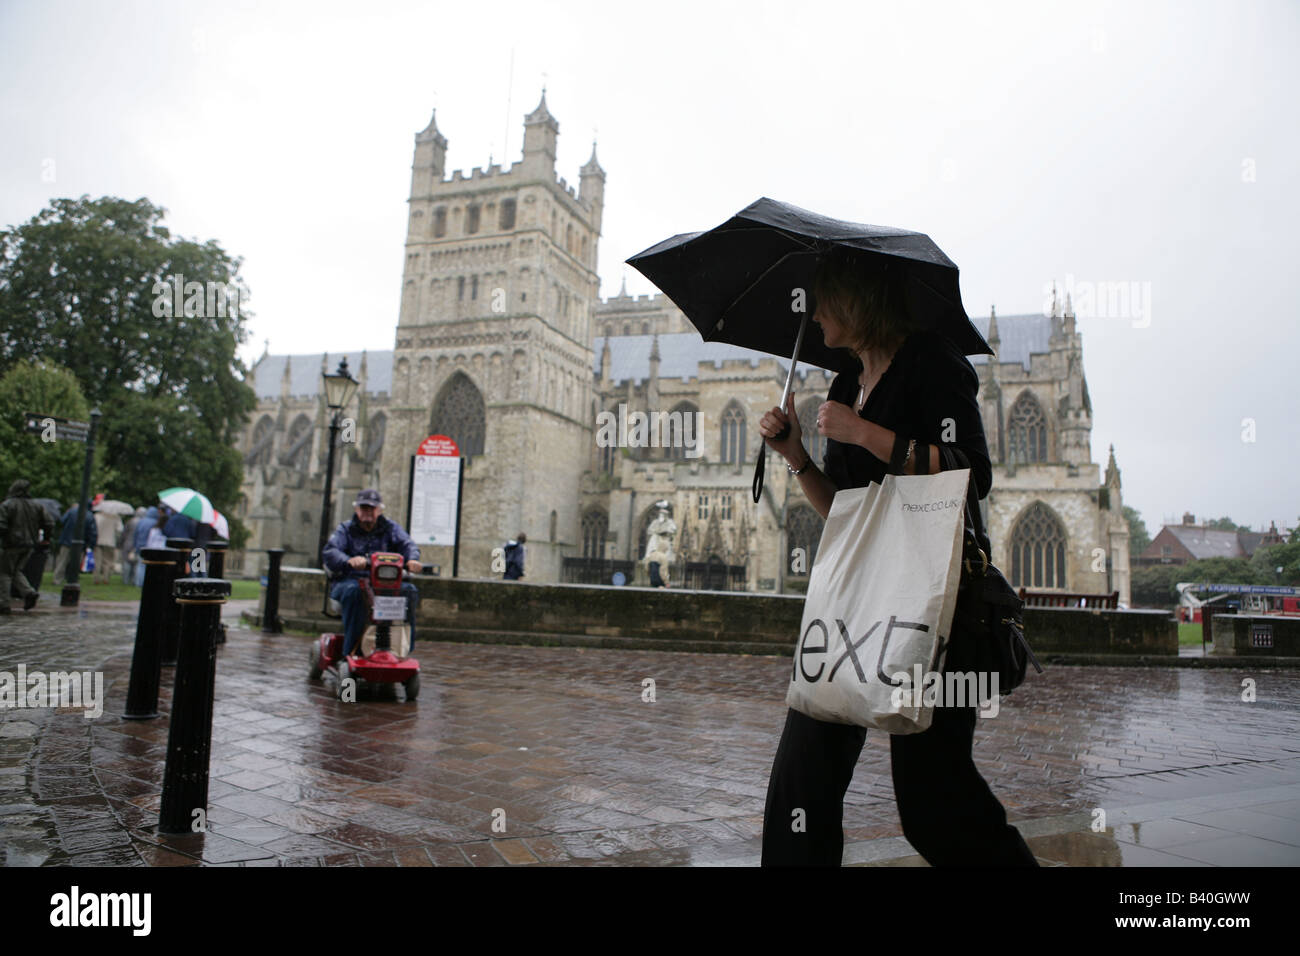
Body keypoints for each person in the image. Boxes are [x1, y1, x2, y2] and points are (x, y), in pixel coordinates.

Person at [757, 249, 1037, 867]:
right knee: (801, 781)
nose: (815, 313)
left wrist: (862, 433)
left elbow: (971, 473)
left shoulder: (933, 363)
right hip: (857, 607)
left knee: (934, 806)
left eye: (823, 298)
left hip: (933, 609)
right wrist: (797, 455)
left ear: (858, 299)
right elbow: (845, 515)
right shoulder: (842, 383)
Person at [321, 489, 422, 658]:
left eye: (372, 508)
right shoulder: (345, 529)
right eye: (363, 508)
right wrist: (349, 560)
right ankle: (351, 653)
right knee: (355, 593)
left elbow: (408, 544)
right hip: (351, 580)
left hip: (385, 584)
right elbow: (331, 551)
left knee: (409, 591)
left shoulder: (391, 528)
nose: (367, 512)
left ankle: (403, 650)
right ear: (356, 510)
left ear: (379, 510)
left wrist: (412, 559)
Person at [0, 479, 55, 613]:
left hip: (11, 544)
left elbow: (1, 525)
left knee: (4, 573)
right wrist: (46, 538)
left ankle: (4, 603)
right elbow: (49, 523)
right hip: (30, 544)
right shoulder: (36, 506)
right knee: (15, 571)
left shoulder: (7, 505)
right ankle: (29, 592)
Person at [52, 501, 97, 587]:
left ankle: (57, 579)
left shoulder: (71, 511)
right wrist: (90, 545)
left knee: (62, 561)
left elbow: (62, 521)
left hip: (66, 540)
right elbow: (92, 532)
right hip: (80, 543)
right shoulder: (90, 515)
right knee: (75, 564)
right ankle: (72, 579)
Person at [92, 496, 122, 585]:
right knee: (107, 561)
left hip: (98, 541)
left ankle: (96, 578)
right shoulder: (115, 517)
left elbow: (93, 528)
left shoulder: (97, 516)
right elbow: (120, 529)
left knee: (97, 561)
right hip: (110, 542)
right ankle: (105, 578)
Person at [120, 506, 146, 585]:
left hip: (128, 544)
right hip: (138, 545)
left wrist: (120, 543)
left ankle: (125, 580)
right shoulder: (144, 522)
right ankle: (134, 581)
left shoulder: (130, 521)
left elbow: (124, 534)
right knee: (136, 564)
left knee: (126, 562)